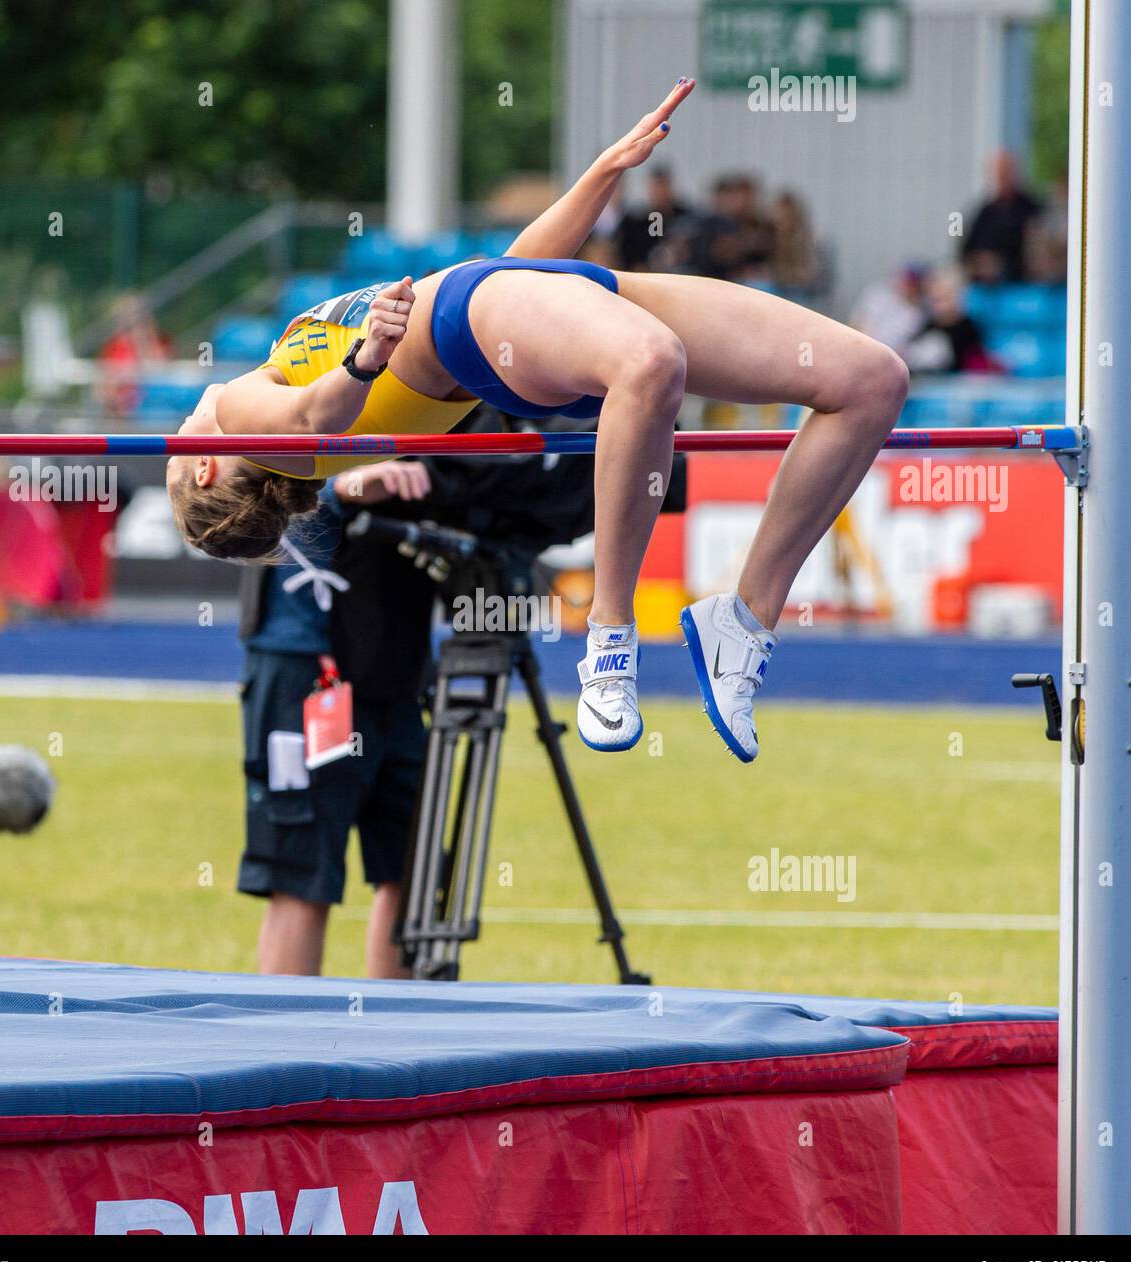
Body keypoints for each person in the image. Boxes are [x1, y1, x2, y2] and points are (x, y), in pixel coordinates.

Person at [168, 77, 909, 765]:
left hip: (523, 298)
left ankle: (743, 621)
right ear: (204, 466)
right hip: (477, 321)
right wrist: (366, 358)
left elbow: (513, 270)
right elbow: (311, 413)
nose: (179, 434)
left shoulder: (279, 392)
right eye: (174, 456)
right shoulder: (245, 421)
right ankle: (611, 639)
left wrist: (602, 174)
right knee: (651, 362)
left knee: (869, 381)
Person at [179, 386, 433, 978]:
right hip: (304, 669)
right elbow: (244, 506)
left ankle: (406, 1053)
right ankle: (289, 1050)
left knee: (411, 867)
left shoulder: (277, 392)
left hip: (392, 660)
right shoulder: (244, 429)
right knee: (300, 871)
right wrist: (343, 486)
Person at [961, 150, 1042, 285]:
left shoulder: (1032, 210)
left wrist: (1002, 265)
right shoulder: (984, 212)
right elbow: (966, 250)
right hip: (986, 289)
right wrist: (979, 263)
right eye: (997, 174)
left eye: (1004, 173)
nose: (1000, 178)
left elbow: (1036, 255)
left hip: (1021, 287)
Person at [904, 268, 999, 375]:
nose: (940, 306)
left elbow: (980, 360)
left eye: (946, 298)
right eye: (935, 300)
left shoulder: (968, 327)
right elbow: (911, 351)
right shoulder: (928, 324)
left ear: (959, 297)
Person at [614, 165, 694, 270]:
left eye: (663, 186)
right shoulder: (635, 222)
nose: (660, 192)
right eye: (656, 187)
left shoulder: (687, 217)